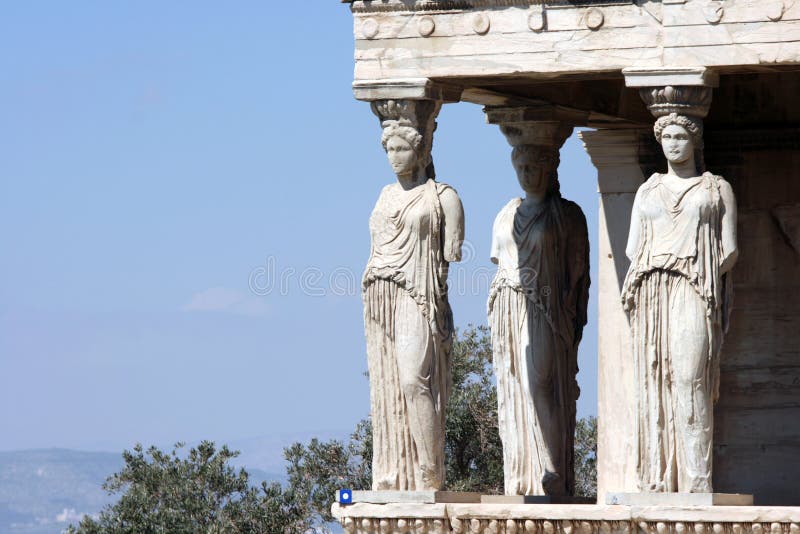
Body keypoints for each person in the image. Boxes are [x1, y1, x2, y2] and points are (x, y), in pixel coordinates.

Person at [622, 112, 738, 492]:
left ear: (695, 140)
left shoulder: (716, 189)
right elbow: (631, 248)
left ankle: (697, 481)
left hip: (694, 286)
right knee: (655, 379)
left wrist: (700, 270)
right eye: (666, 136)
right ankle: (658, 478)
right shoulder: (648, 190)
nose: (673, 143)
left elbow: (729, 249)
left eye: (680, 136)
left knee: (690, 378)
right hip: (652, 289)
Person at [362, 119, 464, 491]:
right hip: (380, 294)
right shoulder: (384, 194)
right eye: (389, 149)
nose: (394, 157)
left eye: (401, 149)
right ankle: (395, 471)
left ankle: (429, 471)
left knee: (412, 379)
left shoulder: (443, 198)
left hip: (418, 295)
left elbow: (451, 252)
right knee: (387, 384)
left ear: (421, 152)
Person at [488, 144, 589, 496]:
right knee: (514, 385)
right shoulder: (505, 214)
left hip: (546, 307)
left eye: (534, 166)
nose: (527, 173)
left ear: (550, 169)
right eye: (521, 166)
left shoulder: (567, 214)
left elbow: (578, 271)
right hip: (508, 304)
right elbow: (499, 262)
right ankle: (525, 471)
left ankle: (554, 468)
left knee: (542, 383)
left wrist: (569, 309)